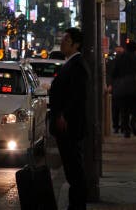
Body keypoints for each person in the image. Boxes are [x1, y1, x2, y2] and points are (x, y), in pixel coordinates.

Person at [49, 27, 88, 210]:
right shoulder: (71, 64)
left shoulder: (77, 65)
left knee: (74, 169)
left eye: (66, 40)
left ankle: (77, 205)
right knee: (72, 168)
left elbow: (77, 96)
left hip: (69, 126)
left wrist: (64, 114)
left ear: (75, 44)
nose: (62, 43)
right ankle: (75, 203)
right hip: (66, 124)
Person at [111, 41, 136, 138]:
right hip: (135, 87)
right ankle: (133, 122)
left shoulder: (119, 58)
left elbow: (114, 73)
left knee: (124, 110)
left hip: (122, 87)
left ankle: (126, 130)